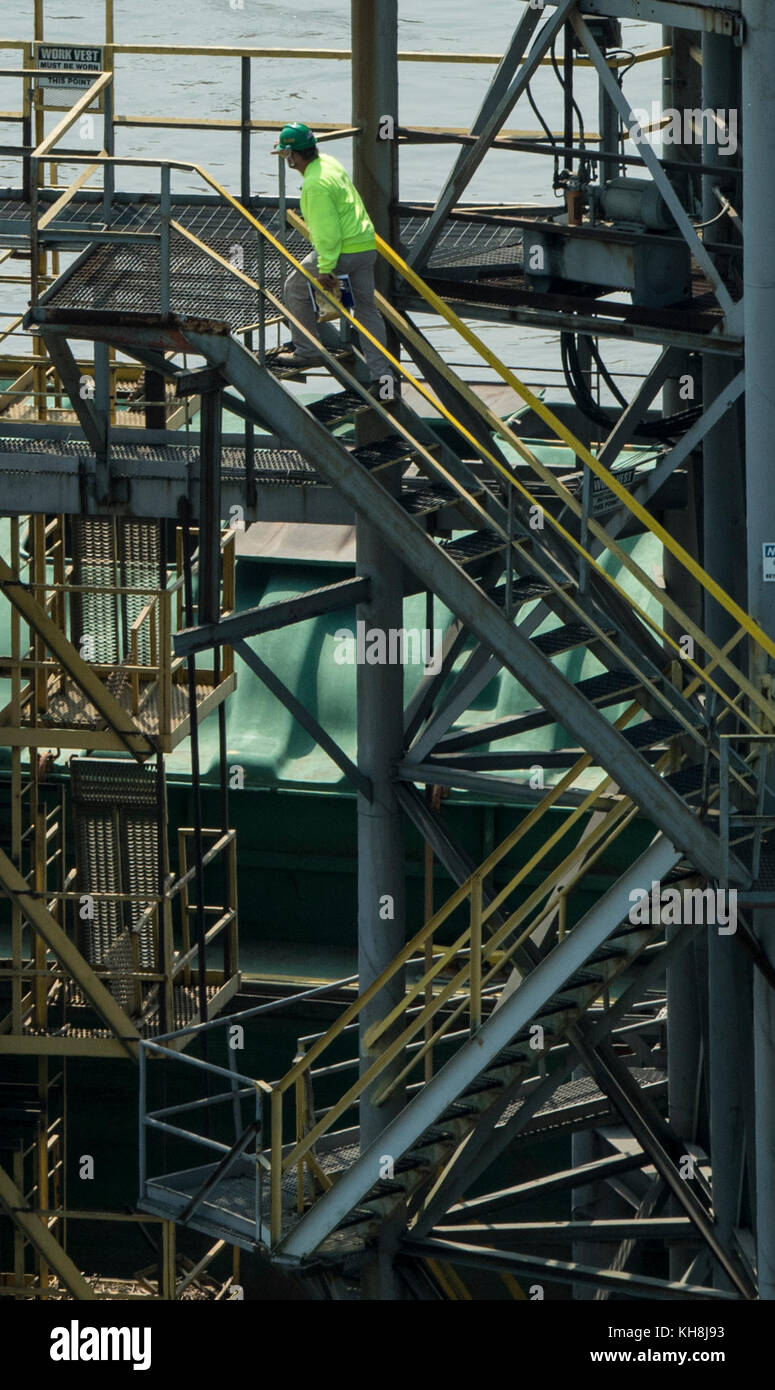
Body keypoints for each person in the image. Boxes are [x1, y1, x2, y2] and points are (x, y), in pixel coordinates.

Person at [271, 123, 393, 386]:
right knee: (365, 309)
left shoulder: (315, 185)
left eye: (286, 155)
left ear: (292, 156)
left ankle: (307, 351)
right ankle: (382, 376)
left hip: (341, 252)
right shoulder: (328, 162)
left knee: (294, 288)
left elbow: (328, 235)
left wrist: (325, 268)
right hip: (364, 246)